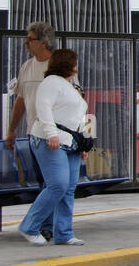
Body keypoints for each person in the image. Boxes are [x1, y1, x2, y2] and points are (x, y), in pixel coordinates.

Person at [17, 49, 87, 246]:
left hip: (71, 142)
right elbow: (44, 108)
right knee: (58, 185)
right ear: (67, 64)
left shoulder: (68, 85)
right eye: (74, 62)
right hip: (51, 141)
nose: (76, 66)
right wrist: (51, 134)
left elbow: (80, 118)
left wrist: (84, 143)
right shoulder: (51, 83)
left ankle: (64, 233)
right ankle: (29, 226)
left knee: (68, 188)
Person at [6, 21, 55, 239]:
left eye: (30, 39)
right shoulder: (26, 67)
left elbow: (76, 98)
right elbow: (21, 100)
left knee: (51, 182)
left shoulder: (58, 65)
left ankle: (46, 226)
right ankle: (47, 226)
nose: (26, 43)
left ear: (44, 42)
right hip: (34, 134)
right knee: (44, 181)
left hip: (55, 134)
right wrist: (11, 130)